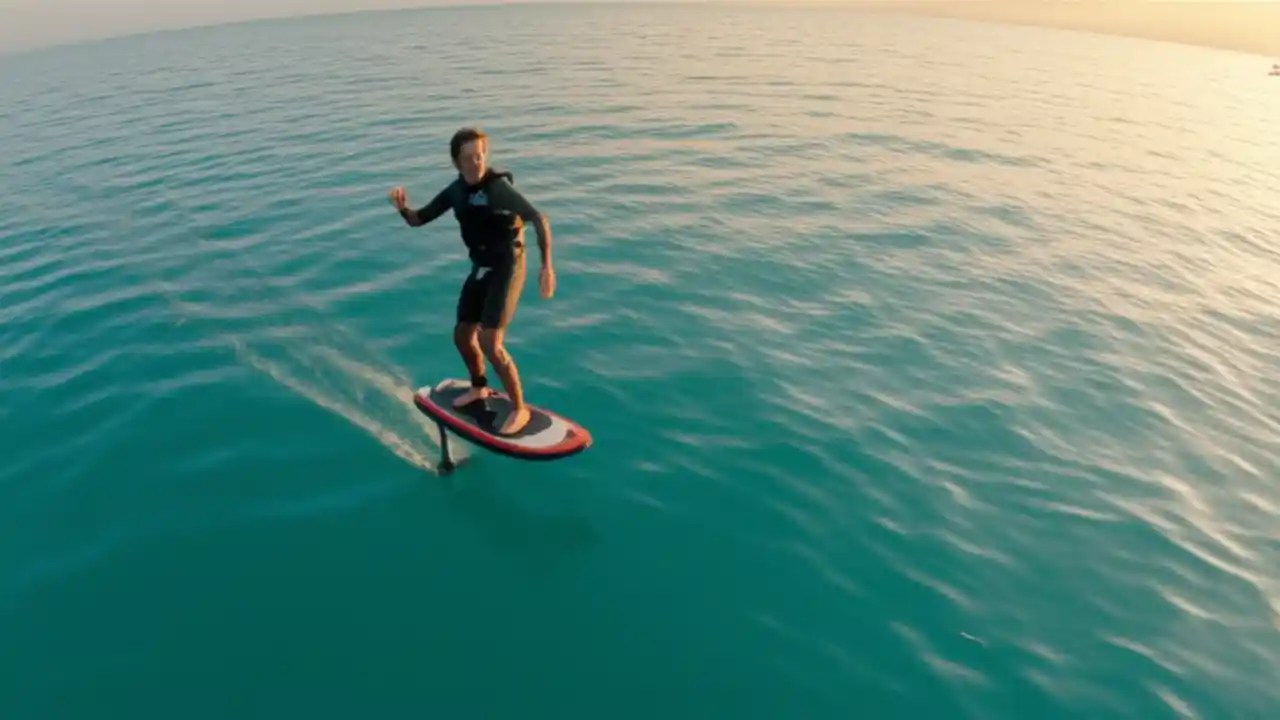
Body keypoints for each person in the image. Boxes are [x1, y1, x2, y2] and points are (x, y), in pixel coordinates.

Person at [388, 127, 555, 436]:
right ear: (456, 162)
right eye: (469, 158)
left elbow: (537, 218)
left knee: (491, 342)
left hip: (508, 266)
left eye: (480, 155)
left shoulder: (497, 188)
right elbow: (419, 219)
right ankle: (479, 387)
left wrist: (546, 266)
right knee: (462, 335)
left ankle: (519, 408)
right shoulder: (456, 191)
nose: (477, 162)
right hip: (482, 267)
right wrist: (402, 209)